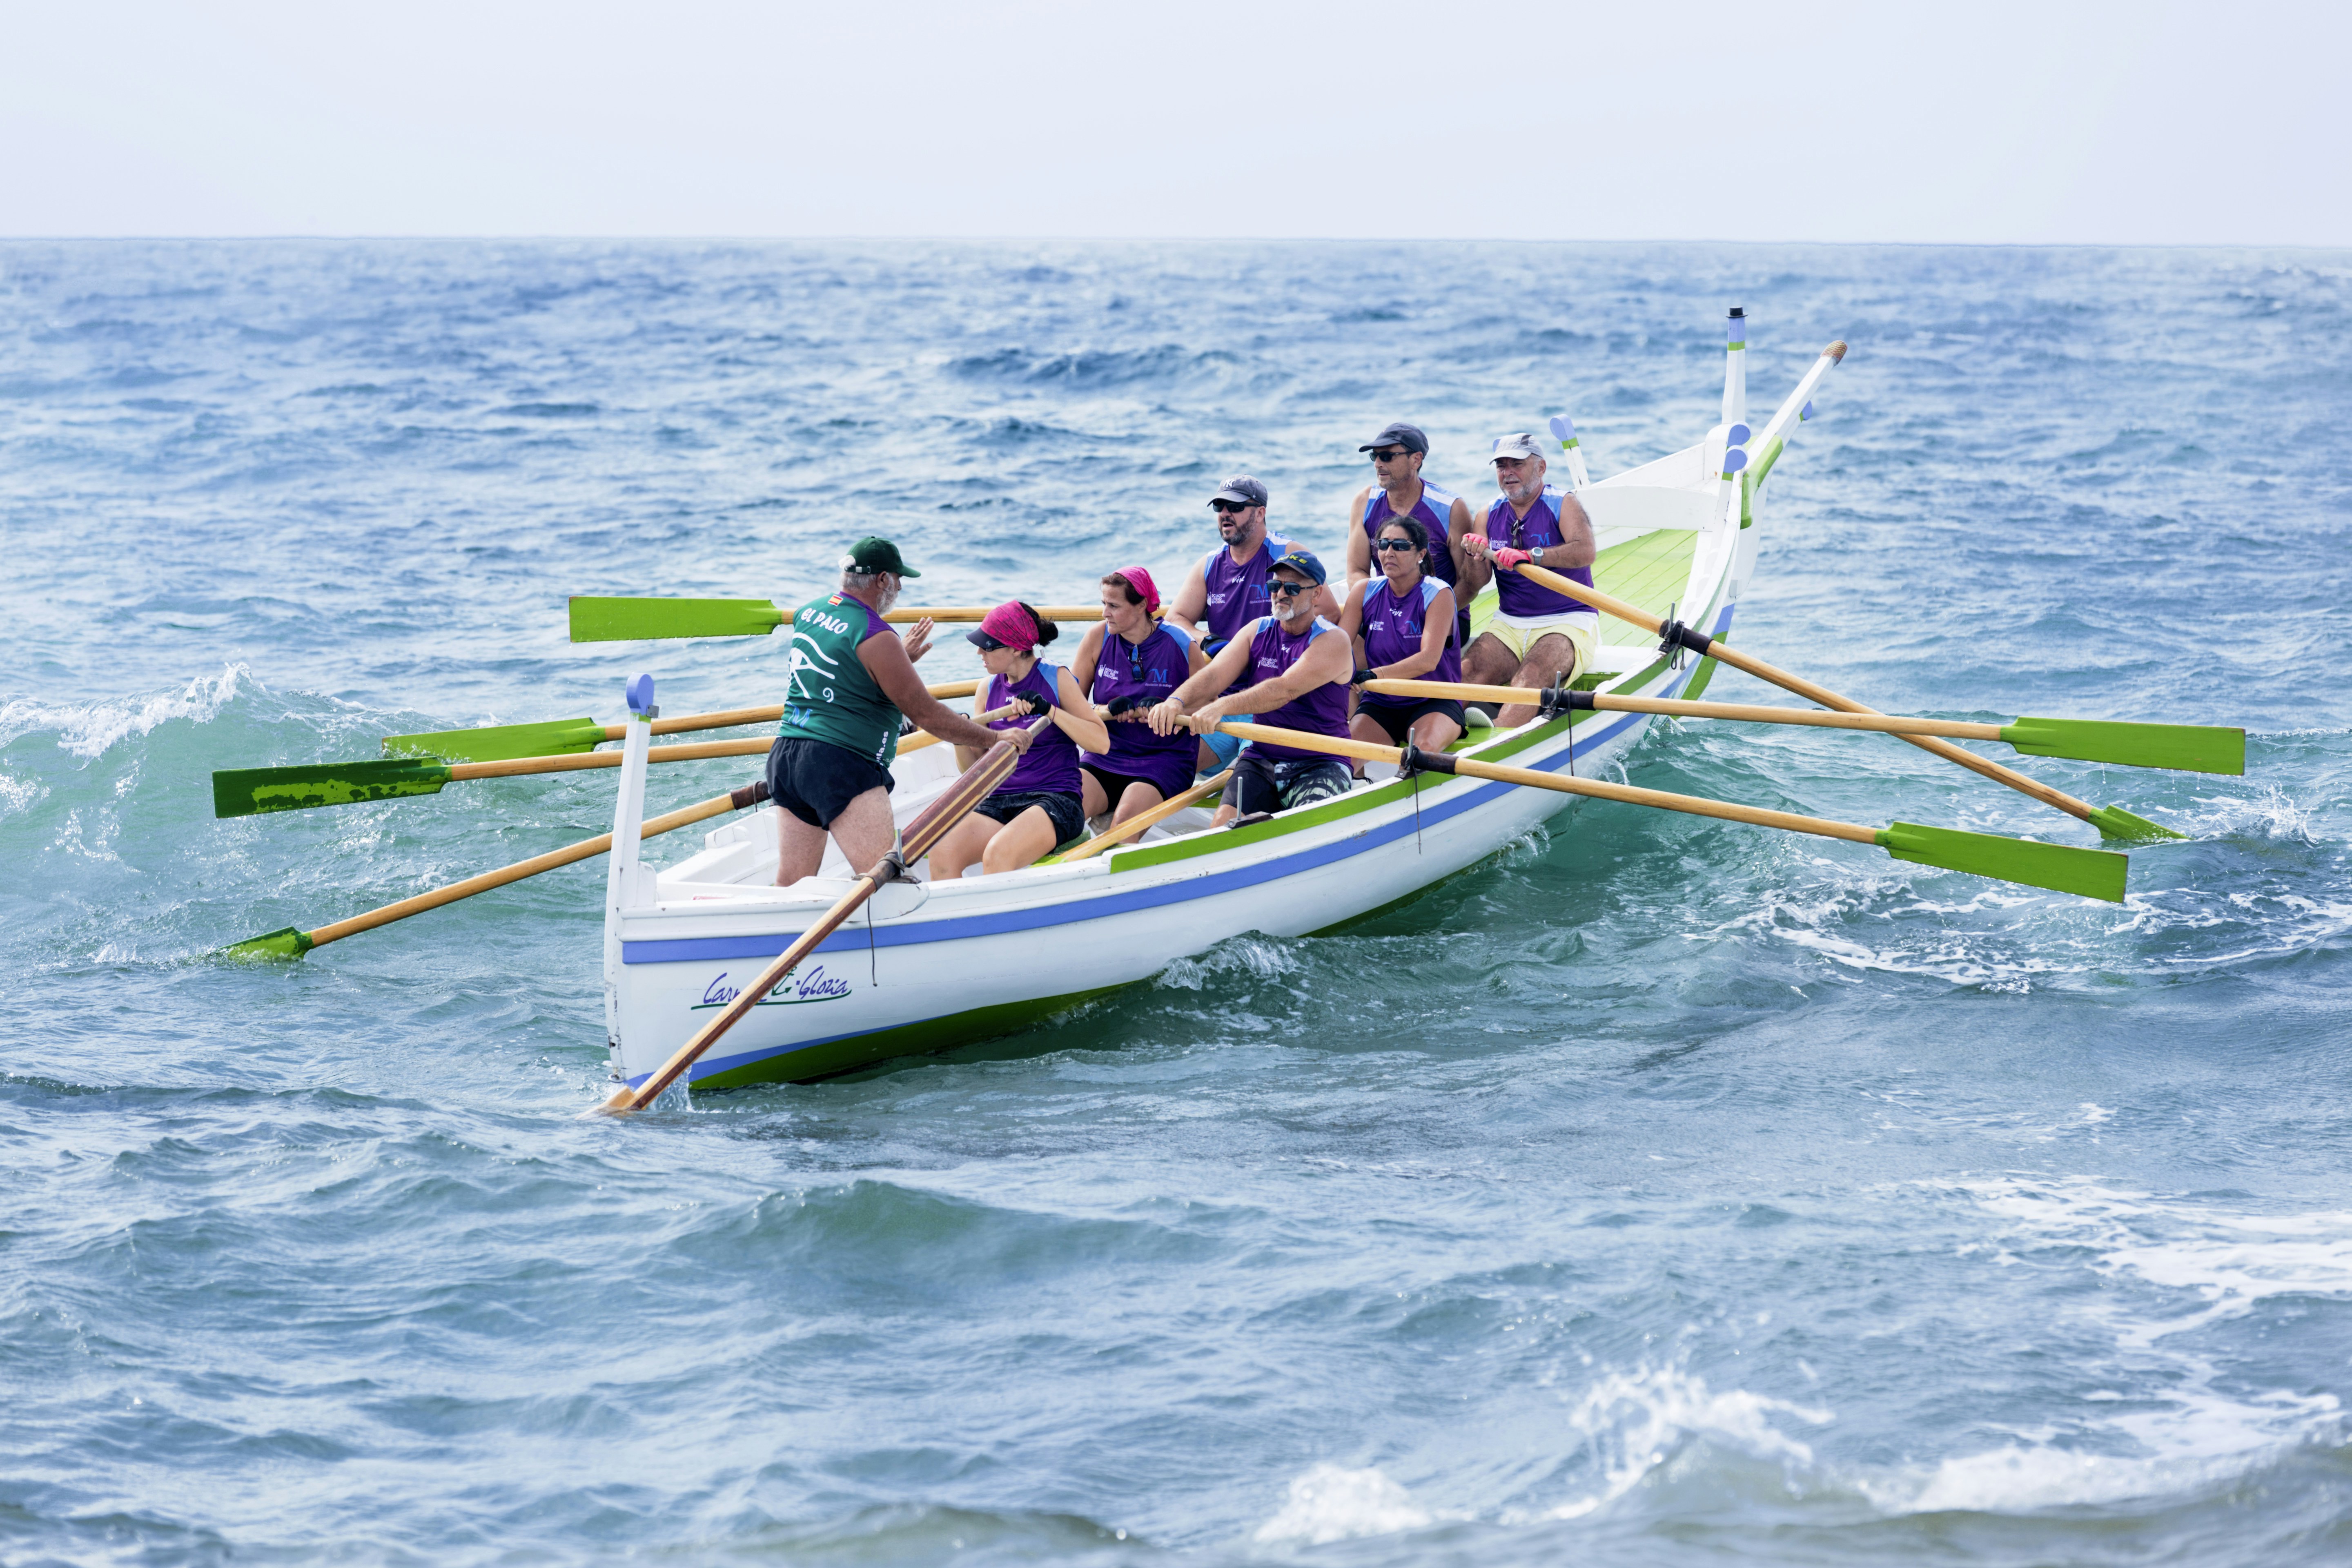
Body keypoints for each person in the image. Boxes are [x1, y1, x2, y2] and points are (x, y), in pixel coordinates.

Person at [770, 537, 1030, 886]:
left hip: (787, 757)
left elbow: (841, 671)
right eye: (898, 578)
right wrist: (996, 737)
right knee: (890, 887)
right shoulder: (877, 636)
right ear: (881, 581)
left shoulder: (809, 612)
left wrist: (899, 661)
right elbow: (928, 716)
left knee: (791, 885)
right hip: (840, 765)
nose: (901, 587)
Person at [1149, 548, 1354, 823]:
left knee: (1305, 827)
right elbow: (1214, 676)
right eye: (1274, 585)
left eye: (1292, 588)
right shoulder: (1257, 630)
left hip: (1320, 761)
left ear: (1317, 594)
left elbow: (1284, 690)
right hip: (1262, 756)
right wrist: (1176, 700)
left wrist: (1221, 706)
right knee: (1223, 826)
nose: (1280, 594)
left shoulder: (1333, 641)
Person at [1165, 474, 1343, 776]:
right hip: (1228, 698)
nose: (1224, 514)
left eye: (1234, 506)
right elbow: (1175, 619)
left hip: (1279, 703)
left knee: (1253, 776)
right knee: (1170, 766)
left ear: (1260, 512)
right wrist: (1206, 639)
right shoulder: (1209, 565)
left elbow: (1329, 616)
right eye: (1219, 506)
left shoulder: (1288, 555)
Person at [927, 601, 1110, 880]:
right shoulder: (987, 689)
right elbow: (975, 772)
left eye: (987, 646)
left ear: (1014, 648)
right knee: (942, 853)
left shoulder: (1056, 678)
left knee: (998, 855)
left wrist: (1050, 710)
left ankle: (997, 923)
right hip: (1001, 798)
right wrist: (959, 738)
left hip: (1055, 799)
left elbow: (1101, 743)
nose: (979, 652)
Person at [1457, 433, 1599, 729]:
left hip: (1568, 620)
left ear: (1541, 468)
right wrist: (1474, 556)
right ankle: (1433, 740)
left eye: (1517, 465)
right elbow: (1478, 582)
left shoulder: (1563, 504)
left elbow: (1586, 551)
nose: (1508, 472)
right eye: (1501, 466)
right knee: (1467, 672)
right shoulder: (1488, 513)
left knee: (1530, 677)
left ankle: (1498, 747)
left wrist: (1530, 556)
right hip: (1510, 622)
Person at [1070, 566, 1208, 828]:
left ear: (1142, 604)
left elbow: (1208, 706)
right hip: (1106, 753)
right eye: (1103, 604)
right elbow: (1072, 707)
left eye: (1114, 605)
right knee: (1065, 809)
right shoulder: (1097, 638)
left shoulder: (1180, 643)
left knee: (1123, 825)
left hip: (1164, 758)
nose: (1104, 614)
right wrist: (1102, 709)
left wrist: (1170, 710)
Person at [1342, 421, 1474, 649]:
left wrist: (1427, 613)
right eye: (1375, 456)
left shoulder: (1451, 508)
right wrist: (1387, 611)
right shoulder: (1364, 502)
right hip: (1385, 611)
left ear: (1416, 460)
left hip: (1439, 616)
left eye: (1386, 456)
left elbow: (1470, 582)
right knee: (1334, 644)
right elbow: (1357, 571)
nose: (1377, 464)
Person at [1340, 514, 1463, 758]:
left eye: (1400, 546)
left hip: (1433, 700)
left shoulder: (1438, 594)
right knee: (1342, 757)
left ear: (1421, 554)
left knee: (1420, 754)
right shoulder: (1364, 591)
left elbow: (1428, 660)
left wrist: (1376, 674)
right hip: (1381, 702)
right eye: (1383, 545)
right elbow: (1338, 646)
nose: (1389, 552)